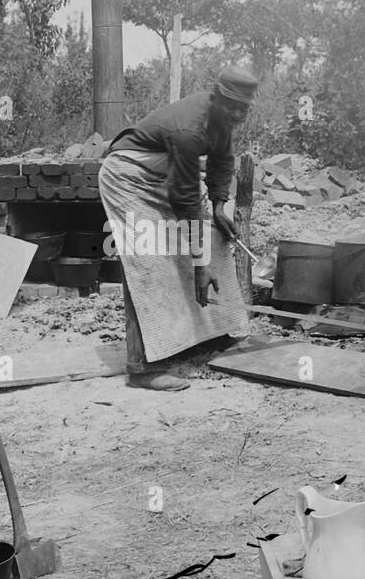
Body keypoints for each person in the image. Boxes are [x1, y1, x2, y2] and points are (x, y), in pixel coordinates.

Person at [98, 66, 256, 391]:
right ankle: (143, 368)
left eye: (244, 108)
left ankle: (211, 337)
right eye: (232, 106)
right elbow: (184, 200)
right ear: (216, 98)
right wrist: (200, 264)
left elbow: (222, 161)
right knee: (149, 261)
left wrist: (219, 206)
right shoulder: (189, 130)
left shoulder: (222, 119)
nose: (238, 114)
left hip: (161, 174)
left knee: (215, 240)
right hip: (127, 177)